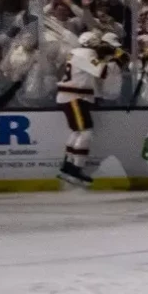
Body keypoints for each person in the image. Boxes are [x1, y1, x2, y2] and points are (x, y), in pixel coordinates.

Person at [55, 32, 125, 187]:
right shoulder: (87, 53)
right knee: (86, 132)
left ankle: (68, 165)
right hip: (75, 97)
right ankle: (76, 168)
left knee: (77, 132)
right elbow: (102, 73)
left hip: (71, 96)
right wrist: (115, 59)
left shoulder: (75, 52)